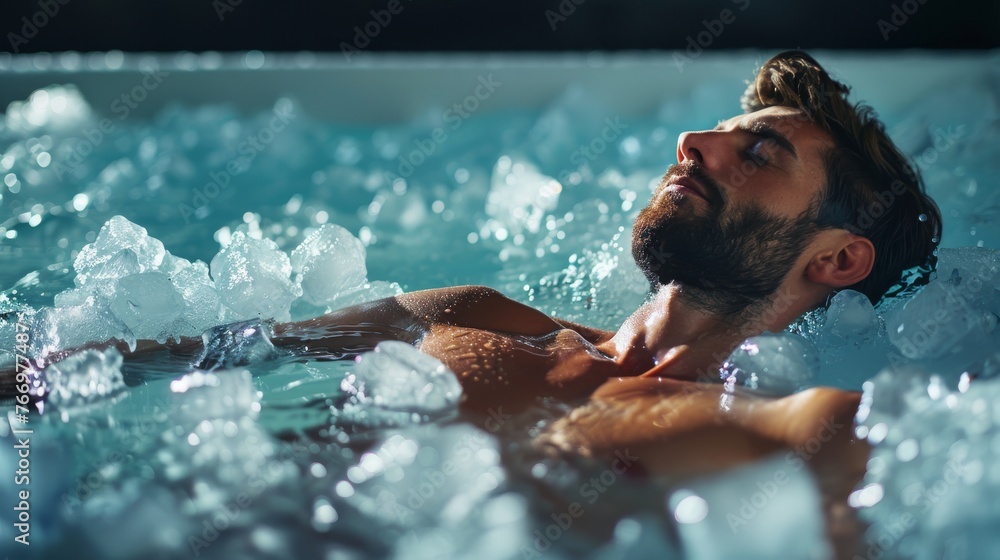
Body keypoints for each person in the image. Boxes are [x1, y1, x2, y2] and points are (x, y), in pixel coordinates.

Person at [10, 51, 939, 496]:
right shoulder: (470, 314)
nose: (695, 144)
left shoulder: (800, 434)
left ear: (838, 259)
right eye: (719, 131)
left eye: (761, 152)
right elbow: (179, 359)